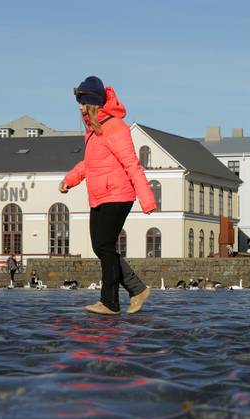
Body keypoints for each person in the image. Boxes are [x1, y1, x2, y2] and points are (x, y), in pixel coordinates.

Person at [61, 76, 157, 315]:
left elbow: (132, 164)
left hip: (118, 195)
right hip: (101, 195)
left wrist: (147, 200)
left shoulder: (115, 127)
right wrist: (70, 179)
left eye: (82, 101)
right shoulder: (94, 130)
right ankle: (137, 289)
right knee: (101, 247)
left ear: (92, 102)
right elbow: (91, 163)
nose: (79, 106)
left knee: (104, 246)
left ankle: (110, 302)